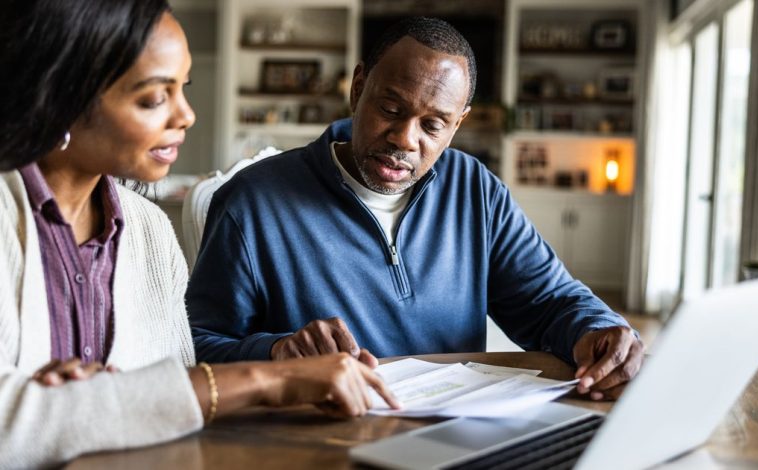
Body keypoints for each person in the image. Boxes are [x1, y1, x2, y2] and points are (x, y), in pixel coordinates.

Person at [0, 1, 397, 467]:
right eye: (154, 98)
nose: (186, 115)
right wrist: (274, 379)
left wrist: (89, 401)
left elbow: (175, 401)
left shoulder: (150, 231)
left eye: (182, 89)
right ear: (60, 98)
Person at [187, 17, 644, 402]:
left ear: (458, 123)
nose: (406, 139)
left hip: (454, 433)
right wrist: (277, 353)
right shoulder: (253, 202)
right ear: (358, 87)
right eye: (390, 108)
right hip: (326, 435)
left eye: (433, 124)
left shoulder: (475, 189)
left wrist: (598, 330)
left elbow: (547, 301)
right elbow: (198, 346)